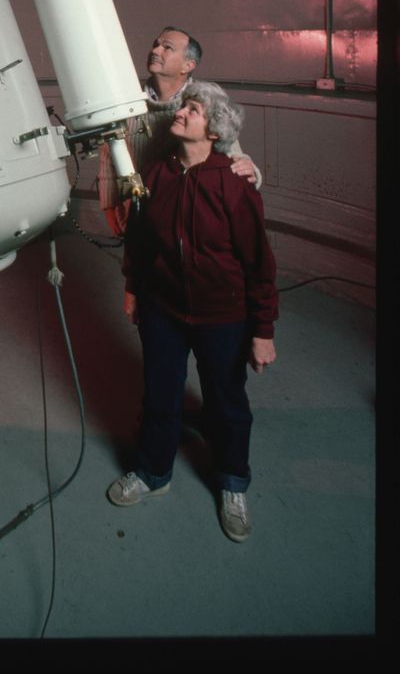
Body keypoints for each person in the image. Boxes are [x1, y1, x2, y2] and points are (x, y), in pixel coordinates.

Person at [106, 80, 278, 542]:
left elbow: (259, 265)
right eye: (184, 106)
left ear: (215, 132)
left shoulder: (234, 185)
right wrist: (133, 290)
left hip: (223, 316)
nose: (181, 112)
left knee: (226, 404)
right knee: (161, 395)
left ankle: (232, 483)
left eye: (194, 110)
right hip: (164, 310)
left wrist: (262, 331)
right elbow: (141, 245)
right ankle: (152, 473)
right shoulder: (158, 176)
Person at [98, 27, 261, 235]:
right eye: (156, 44)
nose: (156, 50)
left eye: (167, 47)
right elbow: (108, 155)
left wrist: (251, 171)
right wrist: (110, 210)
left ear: (188, 65)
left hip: (185, 221)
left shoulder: (204, 103)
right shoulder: (128, 102)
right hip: (137, 219)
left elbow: (229, 147)